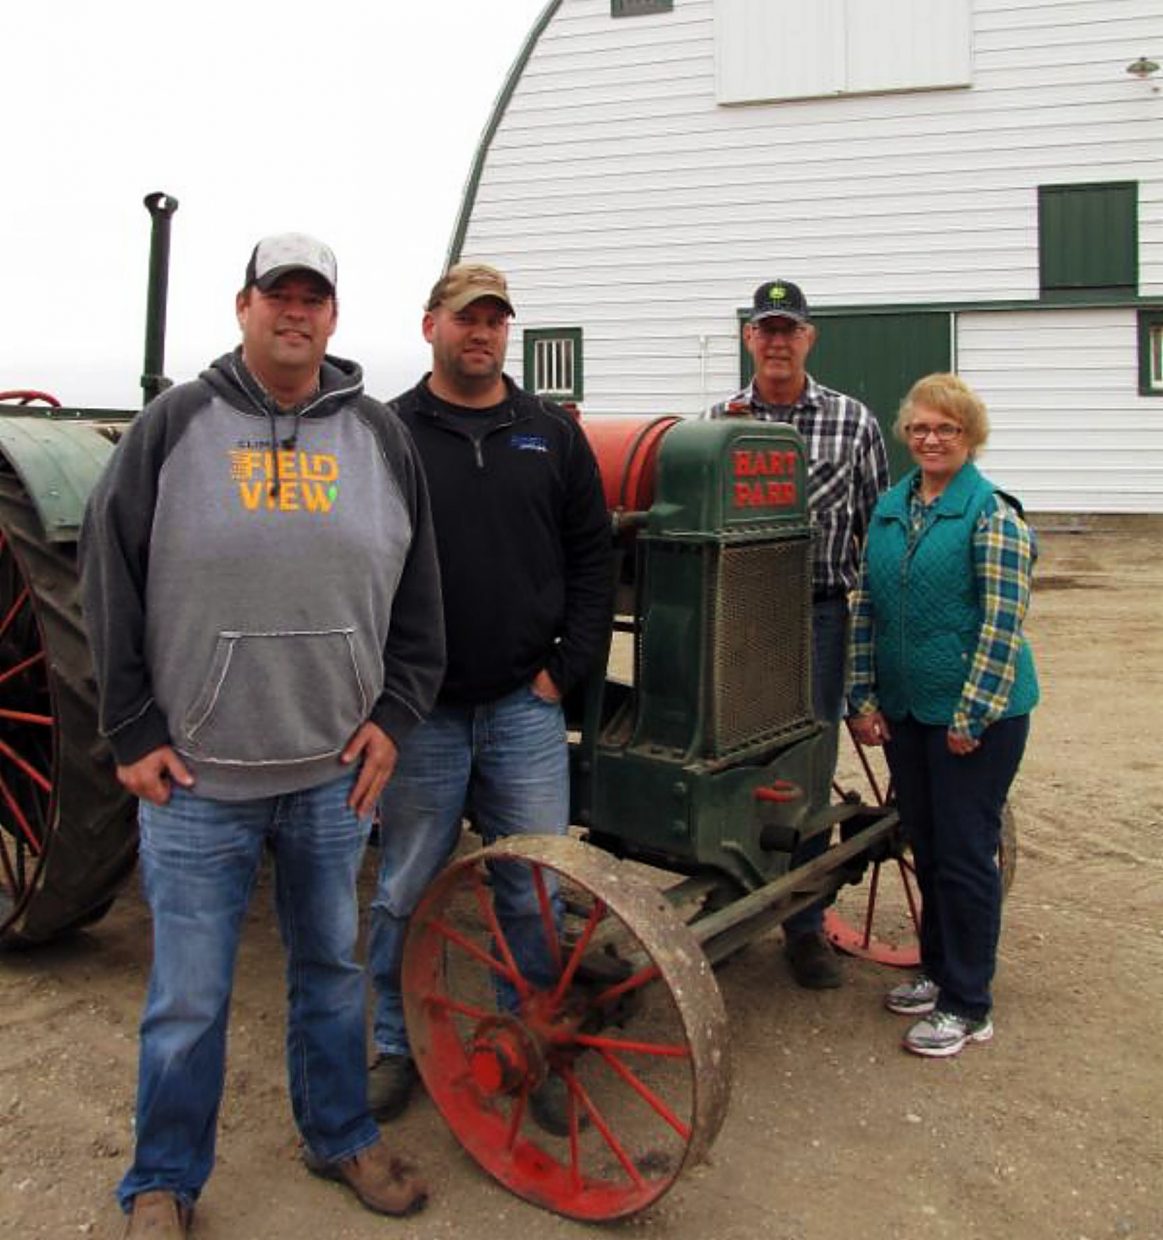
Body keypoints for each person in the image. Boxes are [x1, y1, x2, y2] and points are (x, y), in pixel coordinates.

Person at [80, 233, 444, 1236]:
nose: (296, 311)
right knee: (188, 999)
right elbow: (105, 576)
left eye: (313, 297)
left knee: (331, 972)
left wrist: (393, 716)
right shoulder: (176, 424)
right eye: (277, 294)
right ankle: (162, 1177)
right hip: (197, 778)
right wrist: (130, 725)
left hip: (332, 777)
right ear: (242, 306)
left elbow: (419, 597)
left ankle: (339, 1135)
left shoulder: (377, 434)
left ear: (333, 315)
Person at [367, 262, 612, 1132]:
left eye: (495, 320)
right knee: (405, 887)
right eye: (465, 318)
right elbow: (360, 567)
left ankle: (530, 1039)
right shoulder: (388, 433)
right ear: (430, 323)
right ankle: (395, 1045)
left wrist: (564, 668)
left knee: (532, 889)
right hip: (421, 715)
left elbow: (593, 558)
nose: (481, 333)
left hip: (521, 708)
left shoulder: (550, 434)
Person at [847, 373, 1039, 1058]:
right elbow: (868, 606)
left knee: (962, 856)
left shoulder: (991, 515)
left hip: (974, 720)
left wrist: (972, 714)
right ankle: (935, 970)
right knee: (924, 846)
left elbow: (1000, 625)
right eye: (921, 428)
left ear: (969, 438)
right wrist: (861, 697)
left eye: (946, 430)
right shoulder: (893, 507)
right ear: (906, 435)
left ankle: (967, 1003)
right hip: (906, 711)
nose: (931, 439)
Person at [706, 278, 889, 989]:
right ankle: (729, 902)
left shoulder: (853, 422)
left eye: (789, 330)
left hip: (816, 610)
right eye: (765, 329)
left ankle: (803, 926)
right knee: (733, 762)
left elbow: (876, 532)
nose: (776, 341)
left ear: (808, 339)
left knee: (807, 763)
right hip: (737, 615)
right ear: (749, 339)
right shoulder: (715, 421)